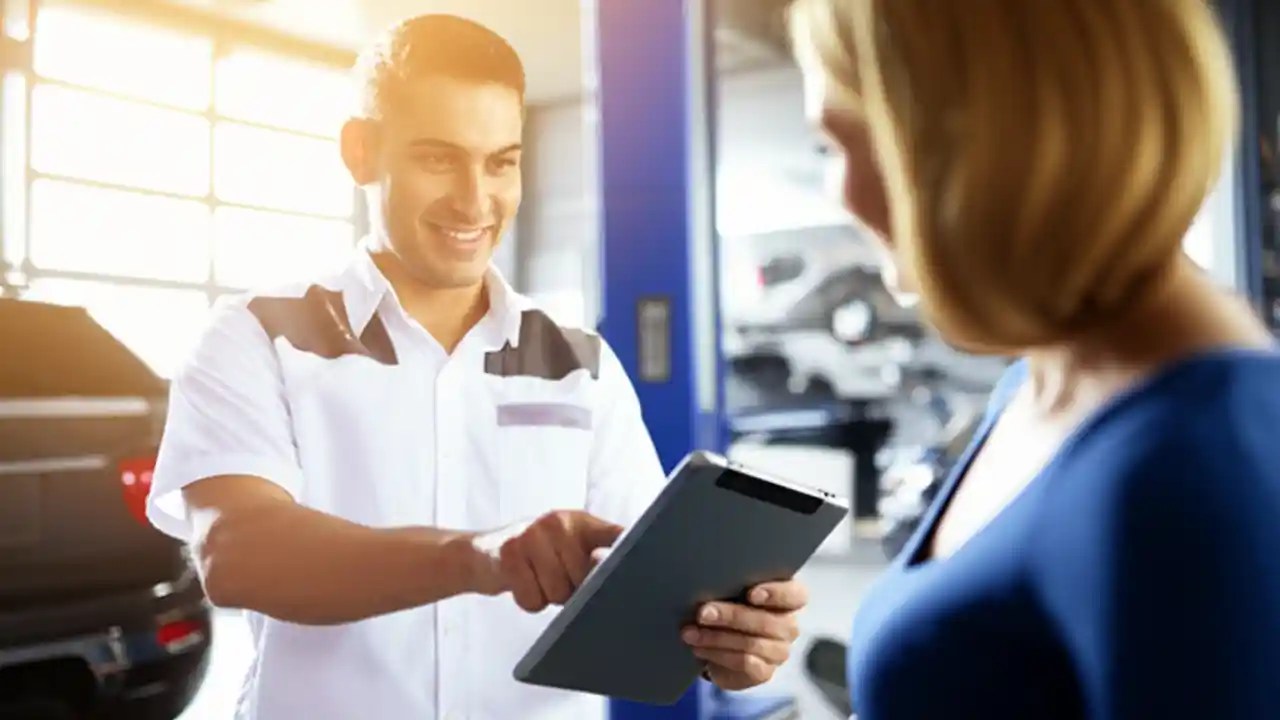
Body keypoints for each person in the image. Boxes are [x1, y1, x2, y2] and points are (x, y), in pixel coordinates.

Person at [146, 15, 806, 720]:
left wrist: (731, 640)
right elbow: (237, 553)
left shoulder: (580, 362)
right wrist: (479, 558)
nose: (474, 199)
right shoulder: (257, 337)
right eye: (439, 158)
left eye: (501, 161)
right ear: (361, 152)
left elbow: (646, 587)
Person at [790, 0, 1280, 718]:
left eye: (835, 146)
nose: (839, 193)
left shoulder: (1193, 468)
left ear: (976, 136)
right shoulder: (1035, 387)